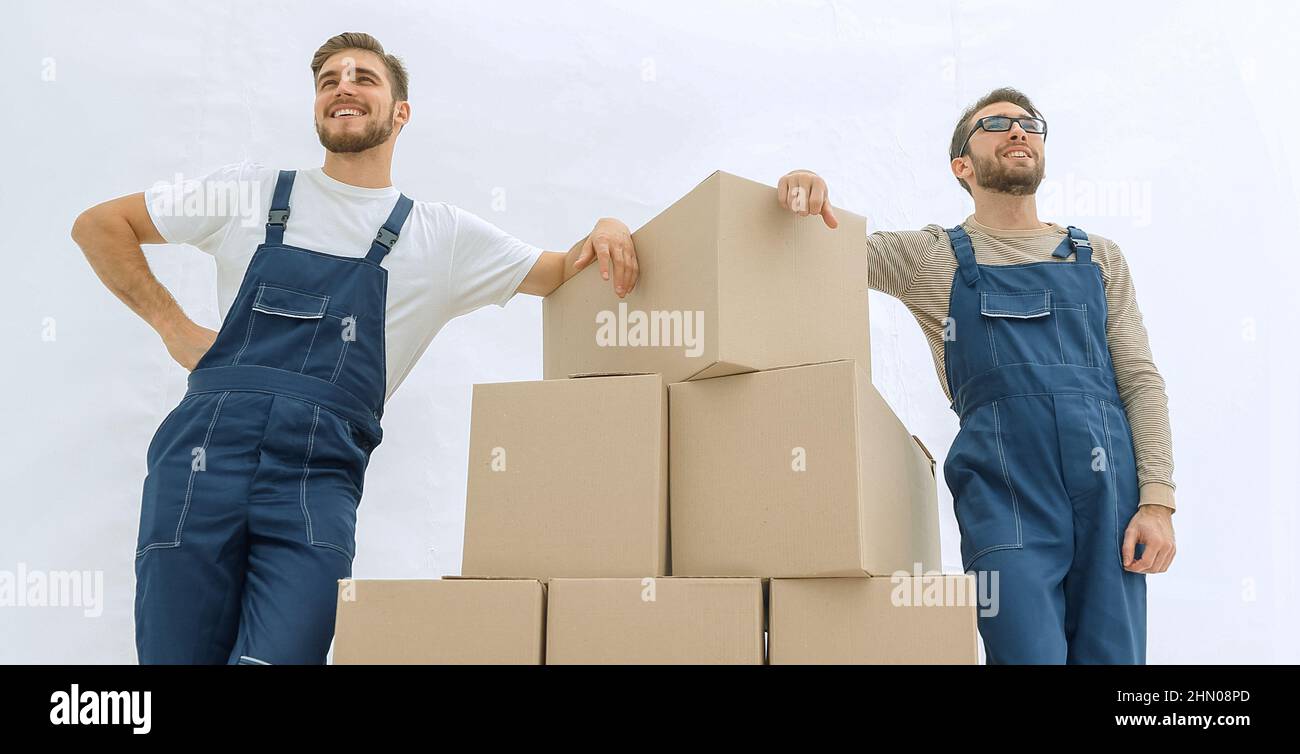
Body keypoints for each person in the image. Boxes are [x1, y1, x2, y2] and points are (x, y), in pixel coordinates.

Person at [70, 32, 638, 665]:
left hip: (316, 479)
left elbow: (561, 271)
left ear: (401, 112)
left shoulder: (440, 235)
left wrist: (609, 224)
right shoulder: (251, 193)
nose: (343, 86)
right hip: (202, 458)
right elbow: (99, 226)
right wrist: (174, 327)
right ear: (318, 107)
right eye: (328, 80)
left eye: (364, 77)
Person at [776, 87, 1176, 664]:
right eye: (995, 124)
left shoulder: (1098, 257)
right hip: (1006, 494)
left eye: (1030, 124)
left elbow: (1140, 381)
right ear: (962, 165)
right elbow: (809, 255)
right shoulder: (930, 257)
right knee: (1025, 655)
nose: (1018, 131)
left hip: (1110, 494)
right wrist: (799, 192)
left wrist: (1158, 502)